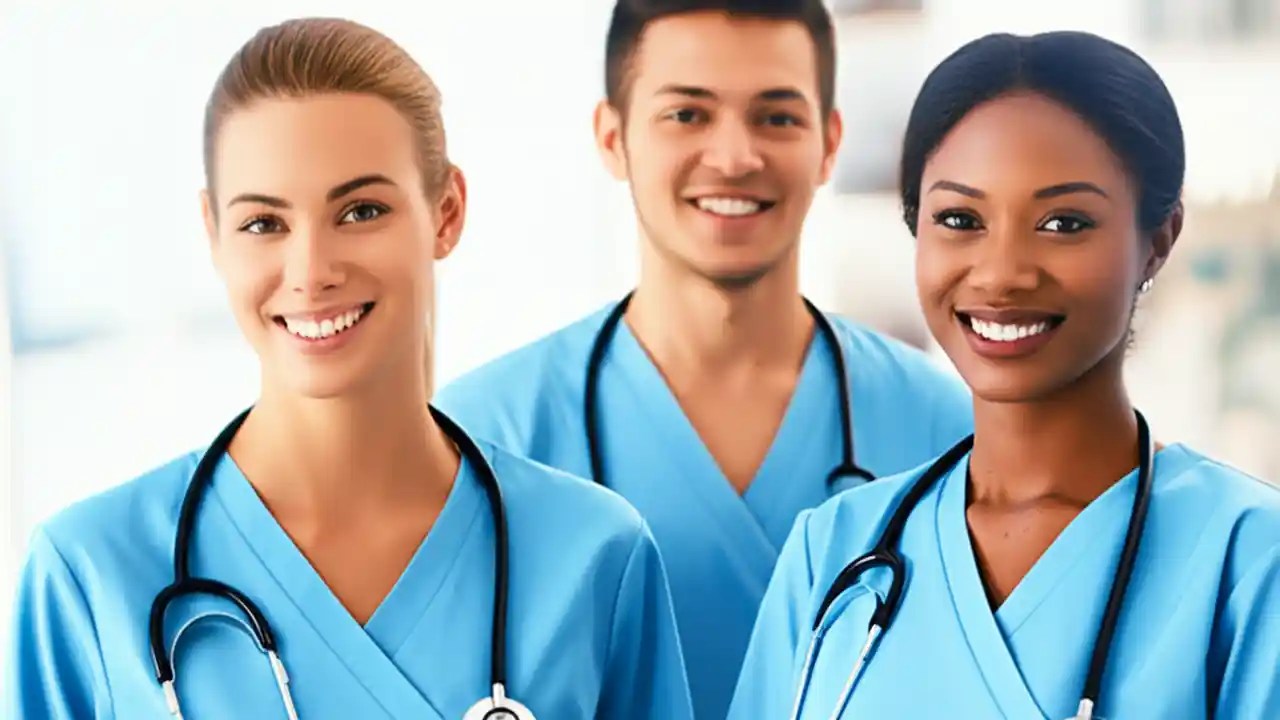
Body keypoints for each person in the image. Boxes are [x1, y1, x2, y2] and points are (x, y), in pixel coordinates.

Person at [5, 17, 694, 720]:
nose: (311, 272)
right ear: (213, 232)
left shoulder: (593, 556)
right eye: (263, 224)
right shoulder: (92, 577)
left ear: (446, 212)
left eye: (361, 211)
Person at [432, 2, 973, 717]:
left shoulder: (951, 435)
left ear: (829, 144)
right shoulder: (479, 437)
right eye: (687, 115)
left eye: (776, 117)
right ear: (612, 138)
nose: (734, 157)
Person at [727, 30, 1280, 720]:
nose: (1002, 274)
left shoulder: (1250, 559)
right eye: (960, 219)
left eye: (1063, 222)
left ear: (1157, 242)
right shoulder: (834, 554)